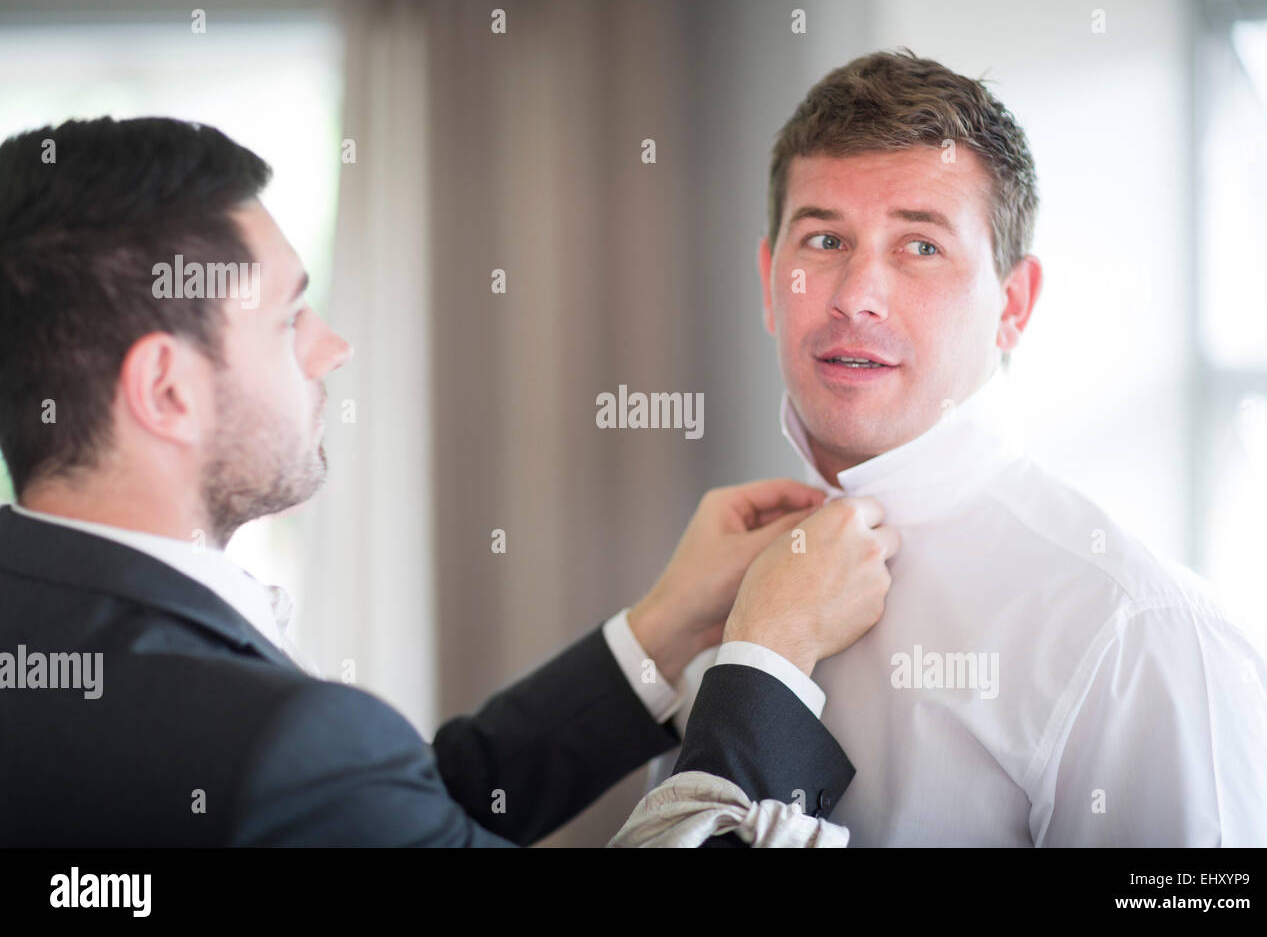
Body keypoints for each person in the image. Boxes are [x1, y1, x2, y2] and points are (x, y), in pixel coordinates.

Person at [0, 116, 900, 847]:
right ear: (166, 390)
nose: (332, 350)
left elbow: (391, 819)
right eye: (288, 321)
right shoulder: (272, 744)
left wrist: (660, 634)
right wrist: (768, 660)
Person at [659, 49, 1267, 846]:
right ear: (768, 279)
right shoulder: (724, 582)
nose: (855, 297)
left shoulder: (1141, 638)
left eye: (921, 246)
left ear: (1013, 304)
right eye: (822, 241)